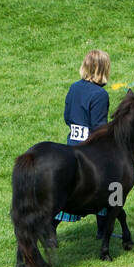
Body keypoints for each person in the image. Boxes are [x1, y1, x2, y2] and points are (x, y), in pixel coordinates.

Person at [56, 50, 112, 234]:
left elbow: (67, 117)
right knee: (112, 181)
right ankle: (103, 230)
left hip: (71, 145)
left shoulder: (74, 87)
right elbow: (99, 128)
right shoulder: (100, 95)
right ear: (103, 69)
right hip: (90, 150)